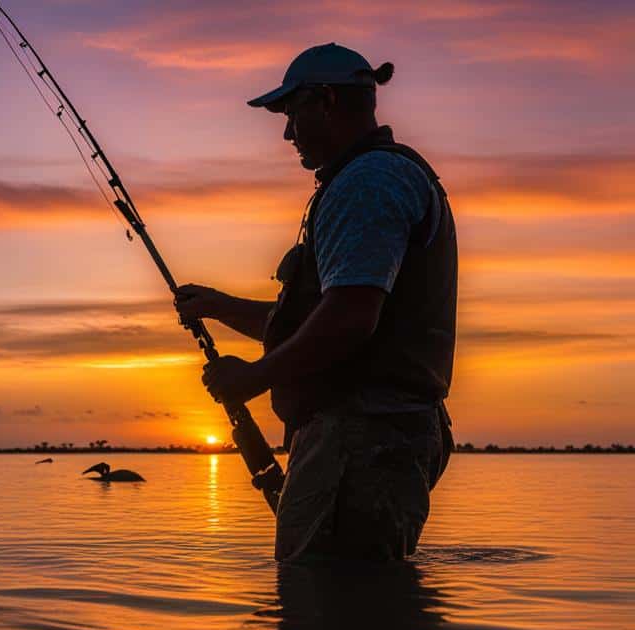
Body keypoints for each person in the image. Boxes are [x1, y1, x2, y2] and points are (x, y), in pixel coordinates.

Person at [175, 43, 456, 563]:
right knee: (353, 621)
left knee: (330, 609)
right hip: (373, 436)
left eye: (290, 115)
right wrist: (217, 304)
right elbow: (315, 323)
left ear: (325, 101)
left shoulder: (368, 182)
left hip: (361, 439)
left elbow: (350, 320)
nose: (286, 134)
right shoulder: (370, 180)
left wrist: (254, 378)